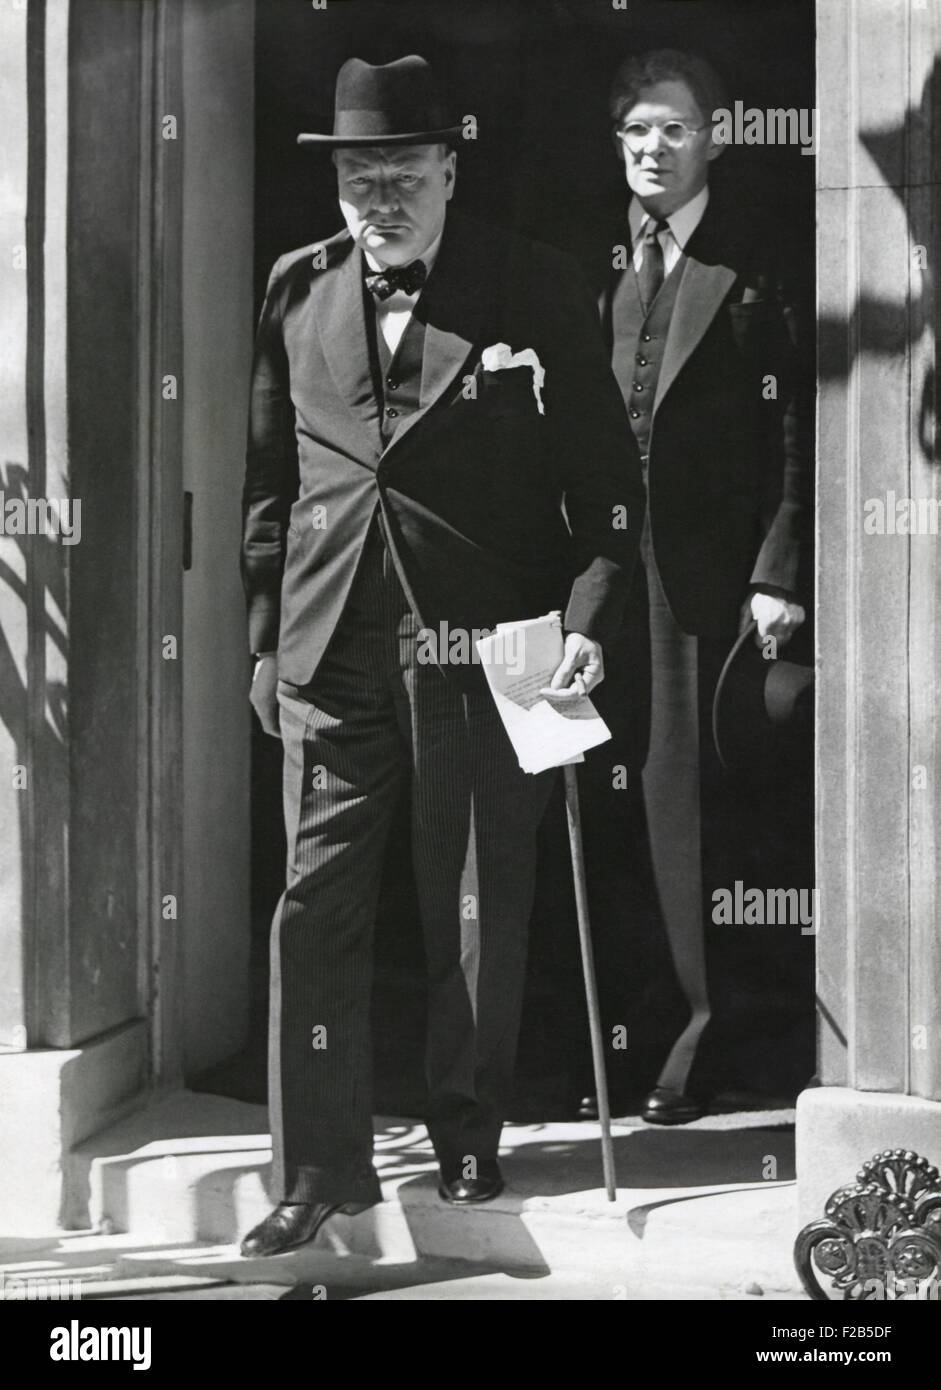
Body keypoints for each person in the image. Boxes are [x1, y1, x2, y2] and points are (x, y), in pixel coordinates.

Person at [238, 54, 644, 1256]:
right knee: (312, 908)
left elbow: (608, 491)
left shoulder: (532, 284)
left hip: (491, 638)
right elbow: (273, 484)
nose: (382, 201)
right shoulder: (294, 289)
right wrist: (263, 640)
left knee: (473, 900)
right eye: (361, 179)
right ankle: (314, 1167)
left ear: (449, 170)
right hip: (327, 645)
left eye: (405, 174)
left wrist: (583, 624)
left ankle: (467, 1138)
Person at [597, 48, 813, 1125]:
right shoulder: (601, 263)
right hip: (606, 583)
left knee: (692, 817)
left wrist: (779, 570)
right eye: (635, 130)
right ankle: (620, 1034)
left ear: (715, 138)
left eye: (673, 129)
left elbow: (797, 428)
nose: (651, 147)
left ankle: (703, 1041)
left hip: (711, 589)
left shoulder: (756, 260)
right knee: (614, 806)